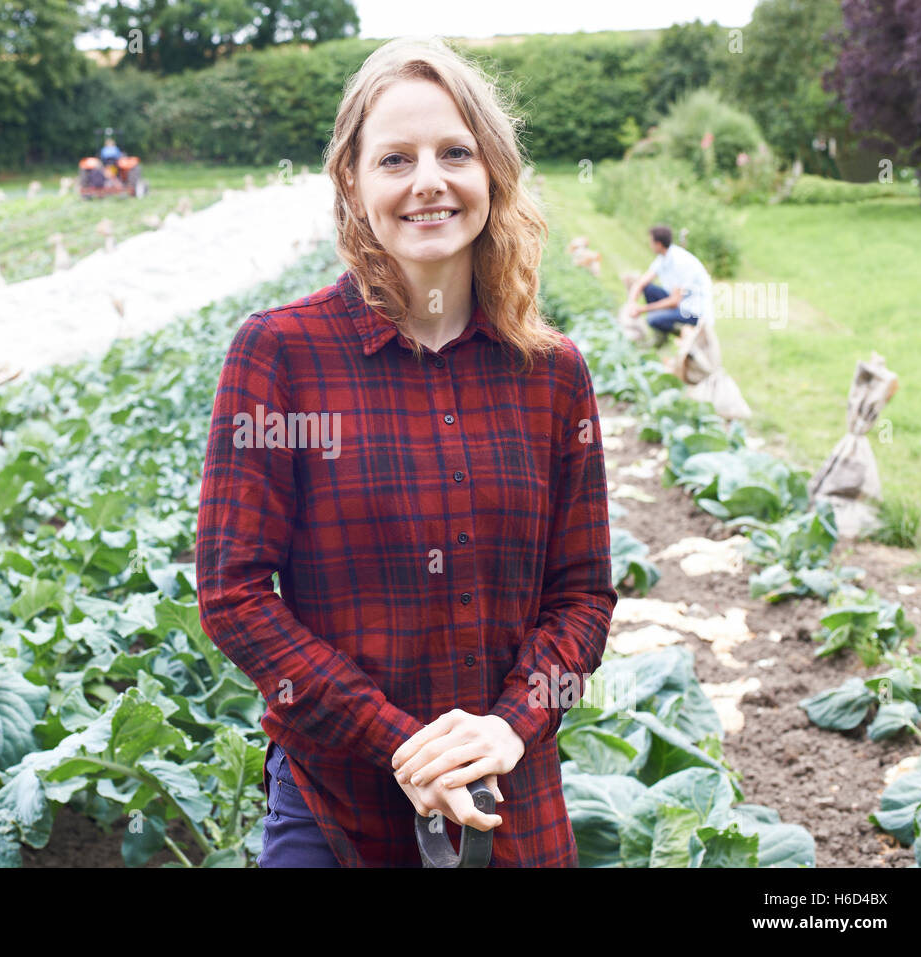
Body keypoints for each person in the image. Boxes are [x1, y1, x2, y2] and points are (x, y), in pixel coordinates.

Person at [195, 37, 616, 868]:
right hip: (339, 802)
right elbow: (233, 593)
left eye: (455, 152)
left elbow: (582, 596)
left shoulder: (553, 372)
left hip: (512, 798)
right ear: (352, 183)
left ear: (492, 172)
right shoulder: (280, 354)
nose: (429, 180)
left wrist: (508, 724)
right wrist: (398, 740)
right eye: (395, 157)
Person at [624, 225, 714, 347]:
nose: (649, 245)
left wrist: (642, 309)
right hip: (680, 302)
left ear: (659, 244)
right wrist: (632, 303)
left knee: (652, 319)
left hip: (693, 310)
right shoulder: (664, 258)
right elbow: (642, 282)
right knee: (648, 289)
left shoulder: (679, 262)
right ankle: (662, 331)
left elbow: (674, 301)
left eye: (651, 242)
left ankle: (686, 333)